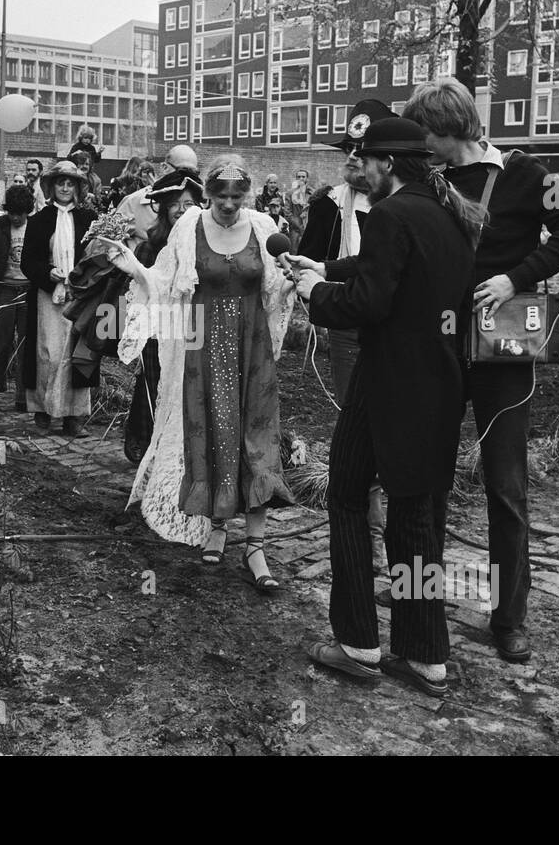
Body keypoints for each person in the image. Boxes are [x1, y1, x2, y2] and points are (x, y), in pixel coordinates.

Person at [288, 116, 483, 696]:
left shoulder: (392, 214)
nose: (359, 168)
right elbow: (391, 273)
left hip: (385, 384)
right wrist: (326, 268)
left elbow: (370, 301)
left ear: (387, 163)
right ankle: (425, 655)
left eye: (364, 159)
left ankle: (357, 645)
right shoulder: (449, 212)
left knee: (347, 497)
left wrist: (314, 294)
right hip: (440, 385)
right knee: (415, 517)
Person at [403, 78, 559, 664]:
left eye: (424, 133)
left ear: (449, 128)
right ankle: (422, 599)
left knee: (505, 487)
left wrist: (516, 277)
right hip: (437, 346)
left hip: (504, 346)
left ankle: (510, 616)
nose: (419, 144)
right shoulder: (426, 180)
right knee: (425, 480)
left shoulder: (526, 174)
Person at [97, 155, 296, 590]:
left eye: (237, 195)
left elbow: (274, 291)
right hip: (202, 349)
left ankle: (256, 546)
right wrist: (133, 267)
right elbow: (164, 282)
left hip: (251, 349)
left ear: (248, 194)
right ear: (207, 193)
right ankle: (219, 526)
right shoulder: (189, 228)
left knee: (256, 437)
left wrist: (291, 279)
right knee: (213, 432)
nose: (228, 203)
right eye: (219, 194)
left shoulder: (263, 227)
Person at [298, 100, 394, 557]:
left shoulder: (404, 205)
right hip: (348, 326)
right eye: (349, 150)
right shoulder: (329, 205)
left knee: (398, 417)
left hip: (397, 328)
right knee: (358, 418)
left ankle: (400, 521)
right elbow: (304, 263)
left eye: (364, 150)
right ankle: (368, 530)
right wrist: (315, 289)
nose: (354, 158)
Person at [121, 168, 203, 464]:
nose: (182, 210)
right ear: (165, 207)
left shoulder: (205, 246)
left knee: (189, 390)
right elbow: (139, 295)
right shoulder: (150, 247)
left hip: (195, 330)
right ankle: (149, 450)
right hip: (160, 333)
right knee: (155, 387)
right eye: (175, 203)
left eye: (189, 204)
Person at [20, 160, 97, 436]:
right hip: (48, 296)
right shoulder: (40, 220)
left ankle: (74, 416)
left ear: (77, 188)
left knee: (77, 353)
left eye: (70, 183)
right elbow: (27, 261)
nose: (65, 188)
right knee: (49, 353)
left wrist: (84, 277)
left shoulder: (88, 219)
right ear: (52, 187)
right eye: (60, 183)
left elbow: (96, 257)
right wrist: (48, 273)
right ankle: (43, 408)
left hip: (79, 296)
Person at [0, 184, 34, 411]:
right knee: (1, 342)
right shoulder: (0, 225)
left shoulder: (35, 226)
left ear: (27, 211)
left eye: (20, 214)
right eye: (11, 213)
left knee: (25, 345)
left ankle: (23, 396)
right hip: (5, 289)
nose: (16, 218)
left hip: (29, 291)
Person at [116, 145, 199, 249]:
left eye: (193, 173)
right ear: (164, 167)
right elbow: (107, 241)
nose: (187, 177)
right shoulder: (134, 202)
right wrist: (130, 262)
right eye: (182, 170)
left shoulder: (201, 204)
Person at [287, 169, 310, 249]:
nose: (301, 178)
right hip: (295, 228)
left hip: (309, 227)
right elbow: (287, 212)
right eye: (298, 177)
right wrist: (298, 226)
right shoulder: (290, 193)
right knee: (294, 251)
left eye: (303, 177)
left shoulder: (312, 193)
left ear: (307, 178)